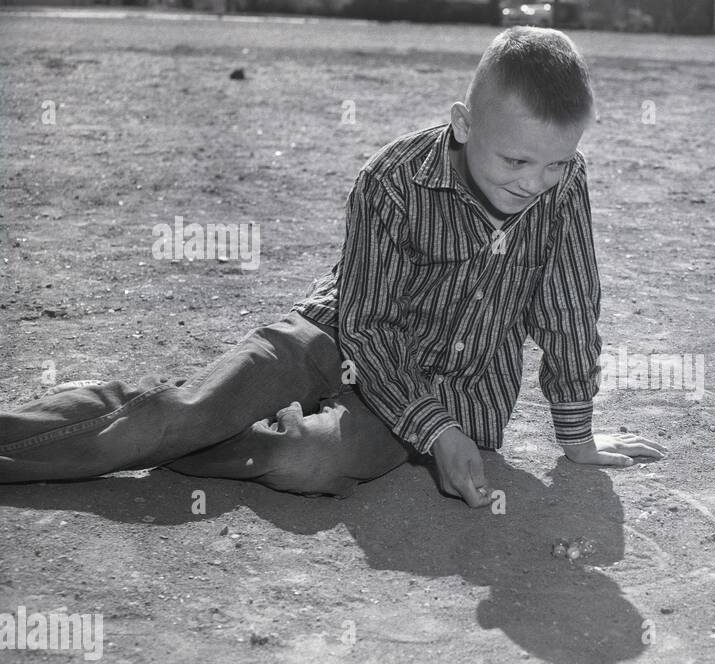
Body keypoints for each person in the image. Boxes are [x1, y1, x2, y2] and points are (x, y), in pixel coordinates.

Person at [0, 27, 665, 501]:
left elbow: (569, 307)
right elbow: (368, 326)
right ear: (464, 124)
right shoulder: (391, 177)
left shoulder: (564, 186)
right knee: (174, 416)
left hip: (439, 393)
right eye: (515, 160)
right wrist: (437, 435)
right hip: (332, 334)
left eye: (554, 163)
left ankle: (155, 433)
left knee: (306, 461)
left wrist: (574, 434)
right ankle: (110, 428)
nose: (534, 182)